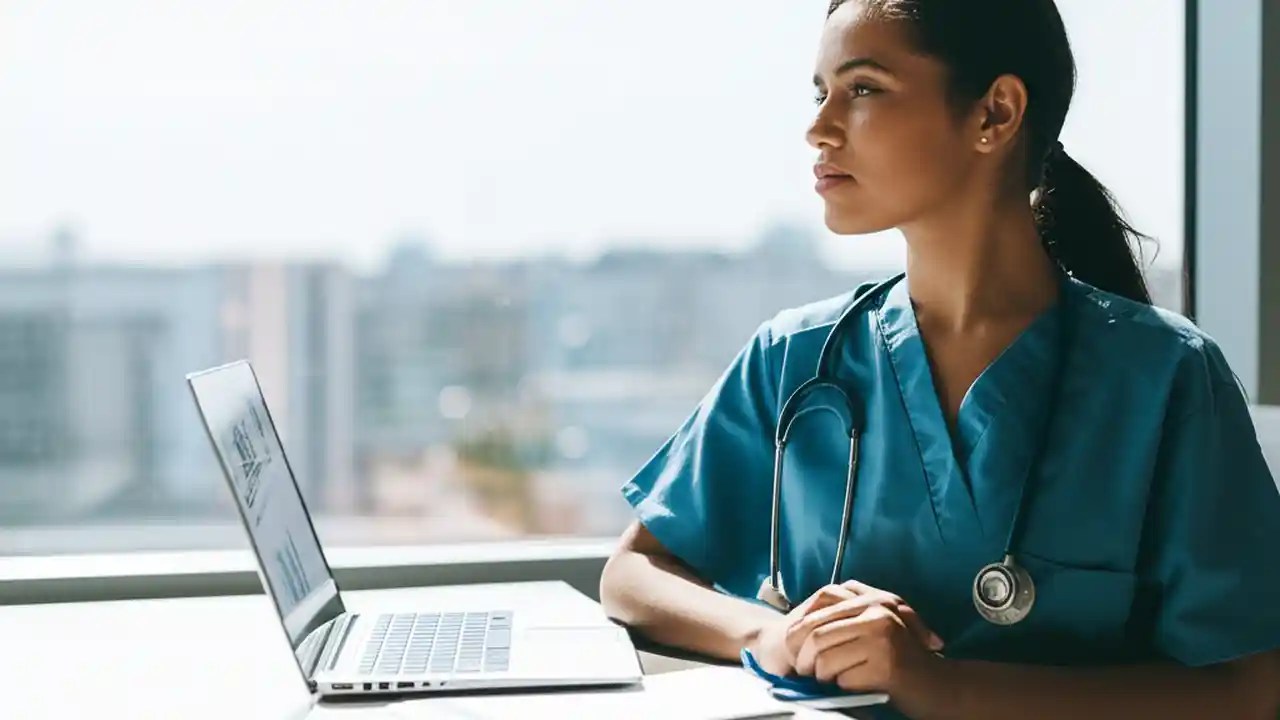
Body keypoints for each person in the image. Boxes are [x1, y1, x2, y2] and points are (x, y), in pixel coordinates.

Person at [598, 1, 1280, 718]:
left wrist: (940, 687)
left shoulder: (1164, 377)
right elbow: (635, 570)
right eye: (820, 91)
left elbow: (1252, 687)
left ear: (995, 114)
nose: (819, 126)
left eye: (862, 88)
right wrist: (774, 635)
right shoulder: (795, 358)